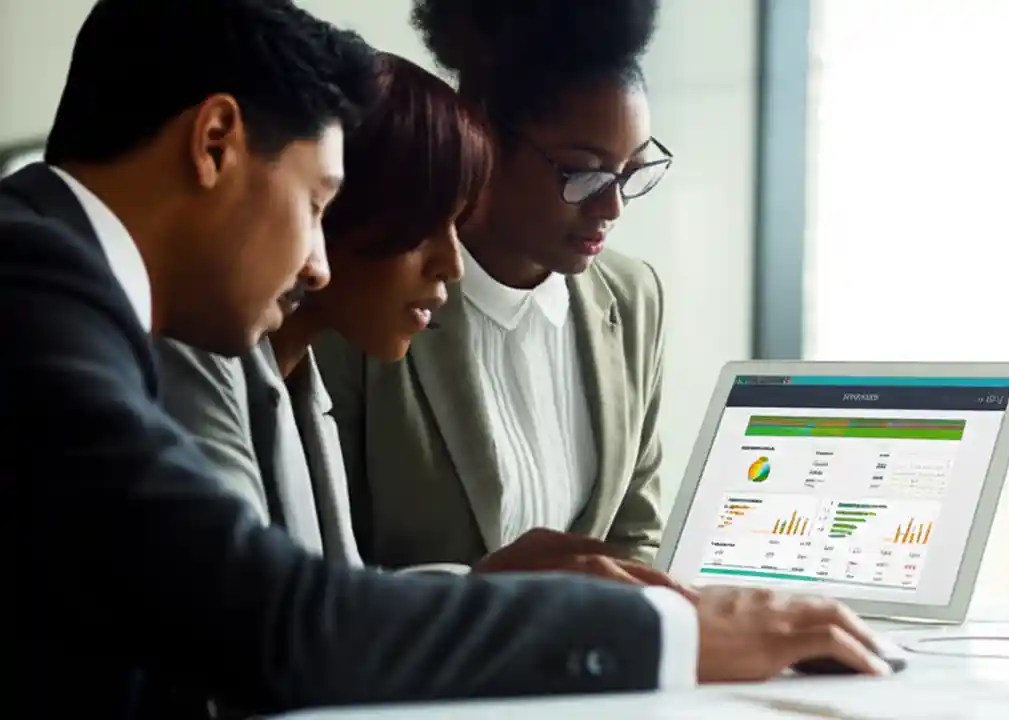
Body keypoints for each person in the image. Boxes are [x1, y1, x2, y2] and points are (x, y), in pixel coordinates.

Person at [0, 0, 890, 716]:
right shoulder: (33, 281)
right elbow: (276, 623)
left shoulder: (82, 288)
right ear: (215, 142)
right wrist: (672, 633)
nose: (319, 263)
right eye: (317, 203)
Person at [156, 51, 675, 588]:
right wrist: (493, 595)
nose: (451, 266)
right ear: (331, 212)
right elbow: (280, 618)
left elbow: (327, 592)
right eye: (583, 171)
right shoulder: (201, 369)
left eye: (633, 171)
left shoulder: (301, 385)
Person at [315, 0, 674, 570]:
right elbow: (323, 567)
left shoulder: (631, 297)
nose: (613, 206)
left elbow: (635, 534)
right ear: (481, 132)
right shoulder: (374, 294)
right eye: (583, 172)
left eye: (632, 171)